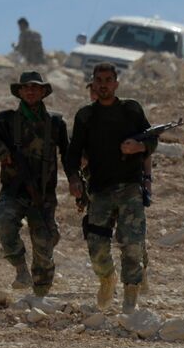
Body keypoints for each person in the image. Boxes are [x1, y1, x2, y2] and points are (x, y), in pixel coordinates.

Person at [0, 71, 69, 296]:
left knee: (43, 246)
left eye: (35, 87)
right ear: (19, 92)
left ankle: (41, 294)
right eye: (26, 87)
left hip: (43, 194)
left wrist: (77, 183)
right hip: (13, 190)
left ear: (43, 92)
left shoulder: (56, 123)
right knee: (4, 220)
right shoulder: (7, 120)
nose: (30, 91)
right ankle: (21, 270)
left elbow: (68, 156)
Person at [64, 61, 155, 311]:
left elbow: (151, 138)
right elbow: (73, 154)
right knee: (97, 245)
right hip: (100, 190)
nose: (103, 85)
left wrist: (140, 147)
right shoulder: (85, 116)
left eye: (108, 80)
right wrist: (73, 178)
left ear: (116, 83)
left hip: (129, 187)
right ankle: (107, 279)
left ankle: (130, 295)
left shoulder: (131, 110)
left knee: (132, 243)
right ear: (93, 83)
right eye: (99, 80)